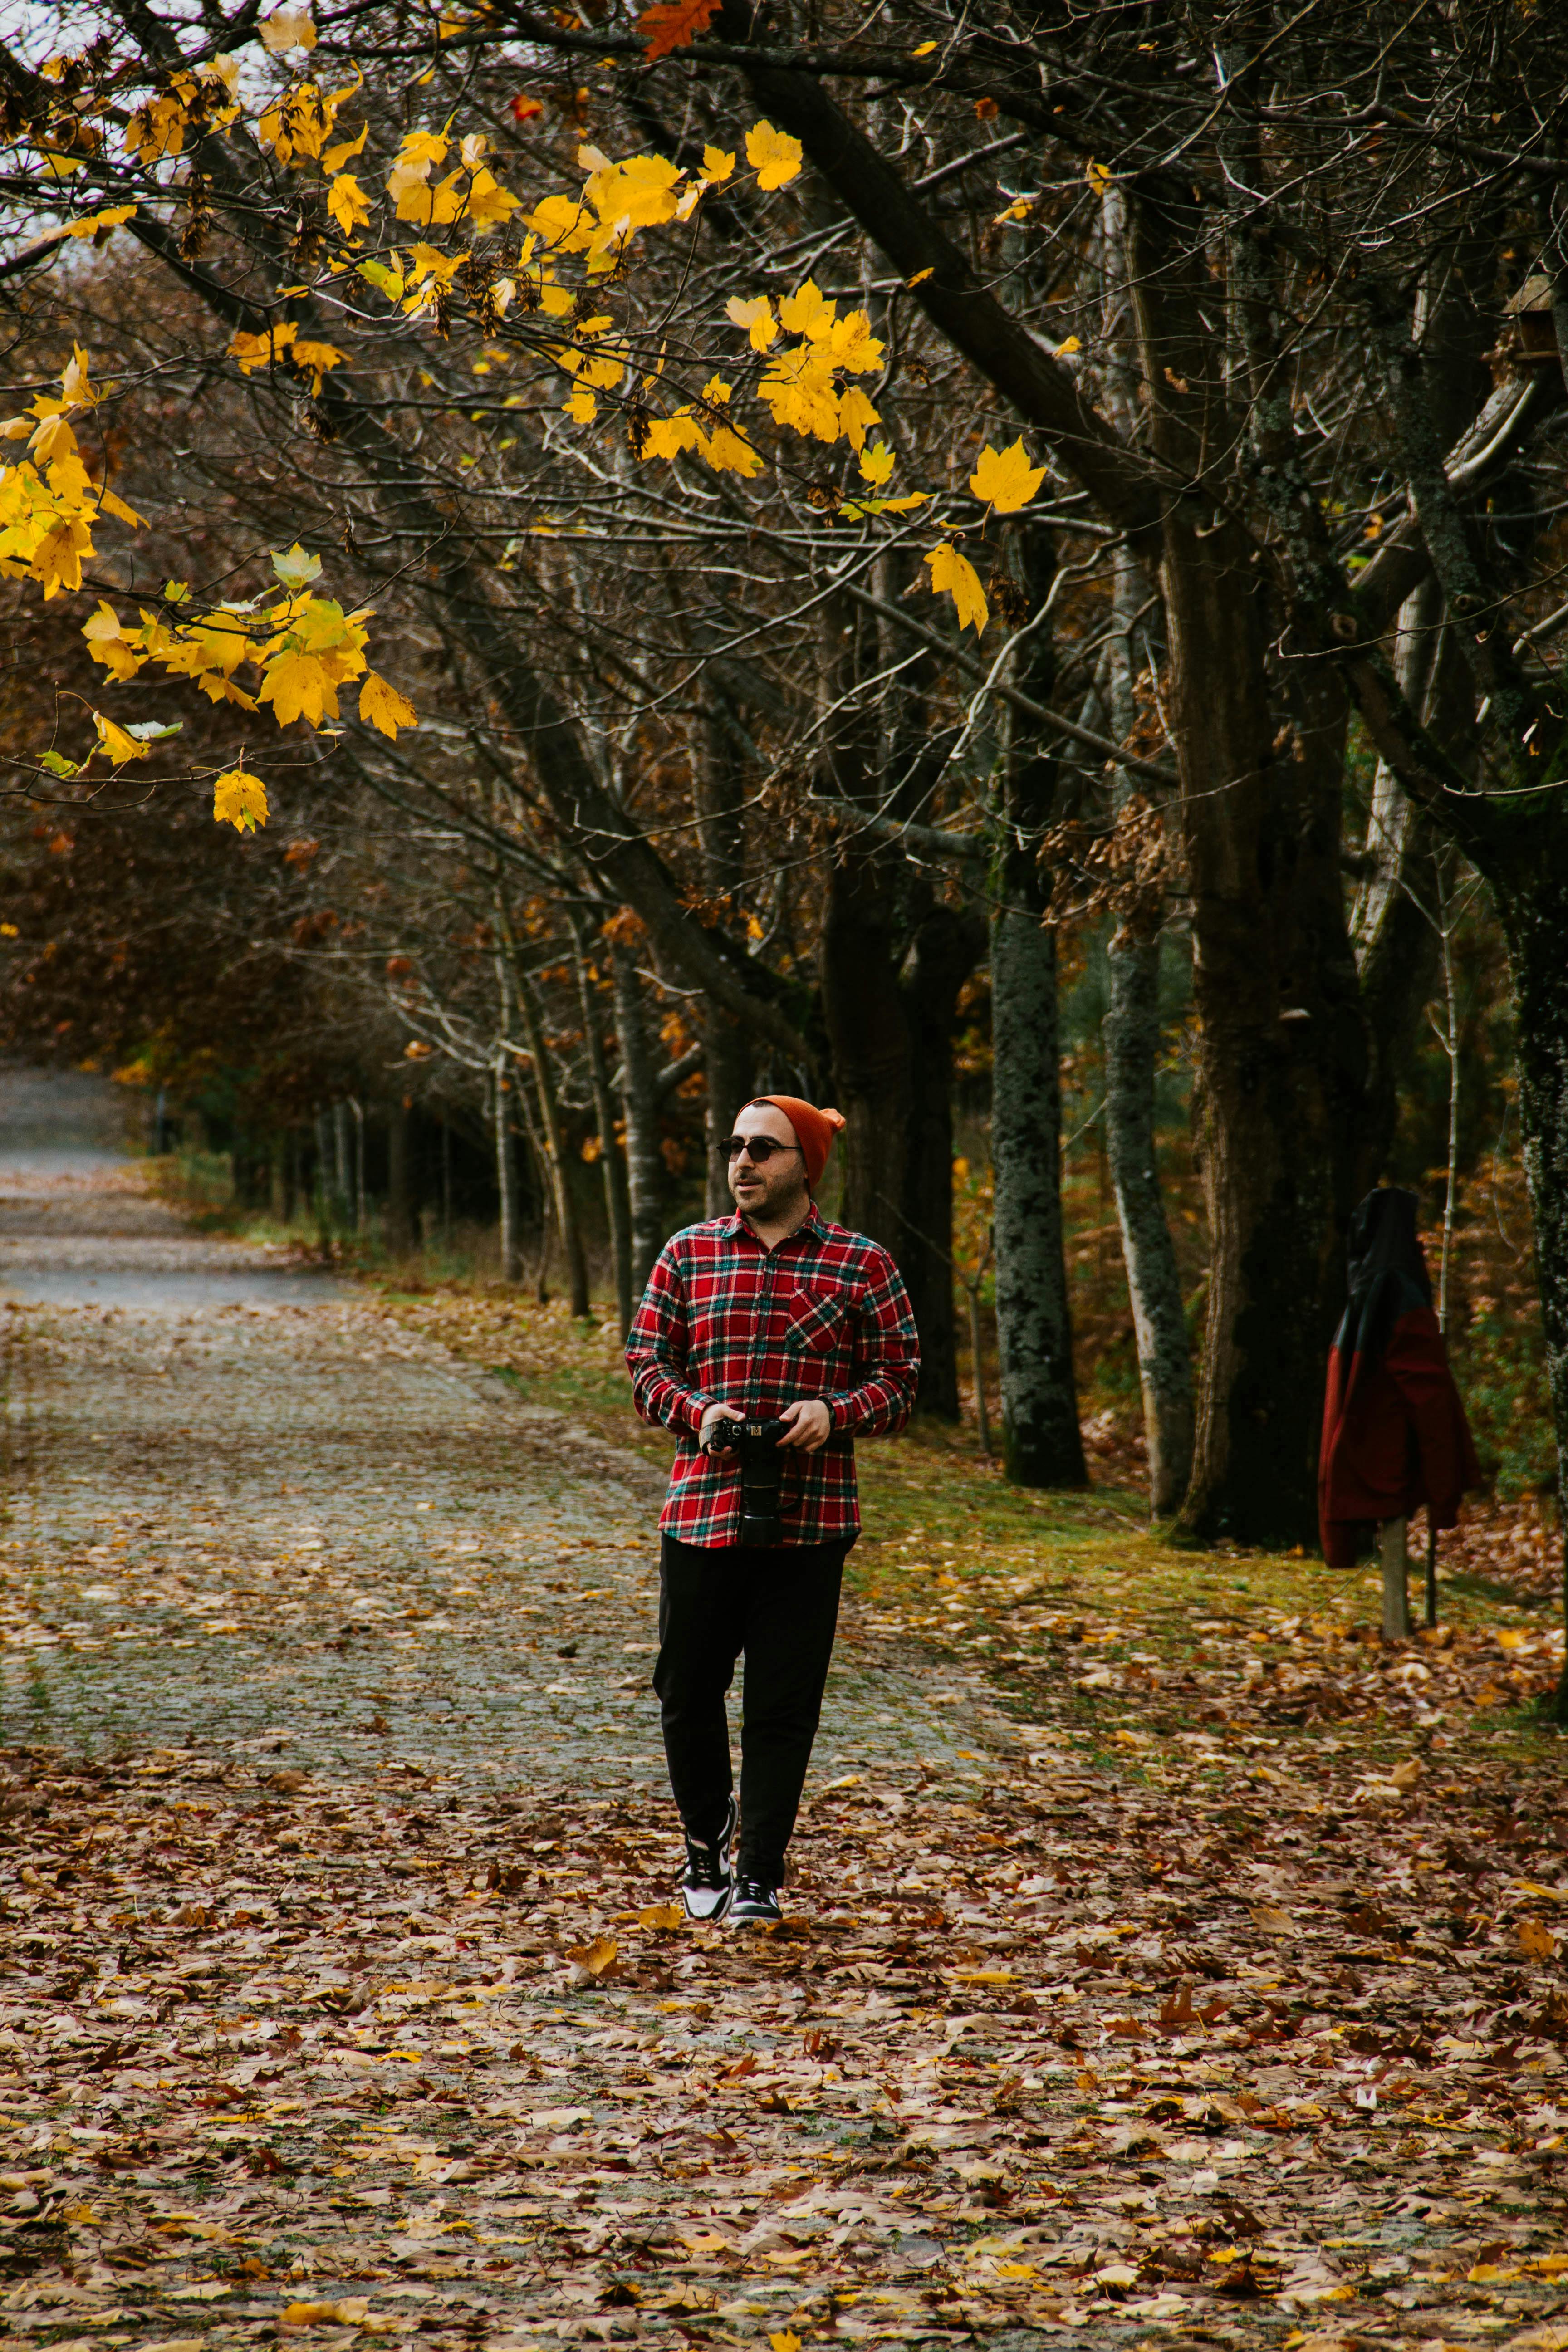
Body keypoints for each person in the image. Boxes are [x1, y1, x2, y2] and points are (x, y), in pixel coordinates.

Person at [625, 1095, 920, 1926]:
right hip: (700, 1510)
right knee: (686, 1691)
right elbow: (647, 1362)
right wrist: (696, 1411)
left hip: (811, 1519)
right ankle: (704, 1842)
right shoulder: (688, 1252)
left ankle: (758, 1873)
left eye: (762, 1147)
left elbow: (903, 1380)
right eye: (734, 1146)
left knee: (783, 1707)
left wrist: (836, 1412)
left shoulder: (862, 1263)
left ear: (805, 1164)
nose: (743, 1161)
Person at [1318, 1185, 1480, 1567]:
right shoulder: (1397, 1295)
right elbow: (1428, 1397)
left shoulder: (1364, 1292)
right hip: (1389, 1452)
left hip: (1365, 1452)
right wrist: (1444, 1491)